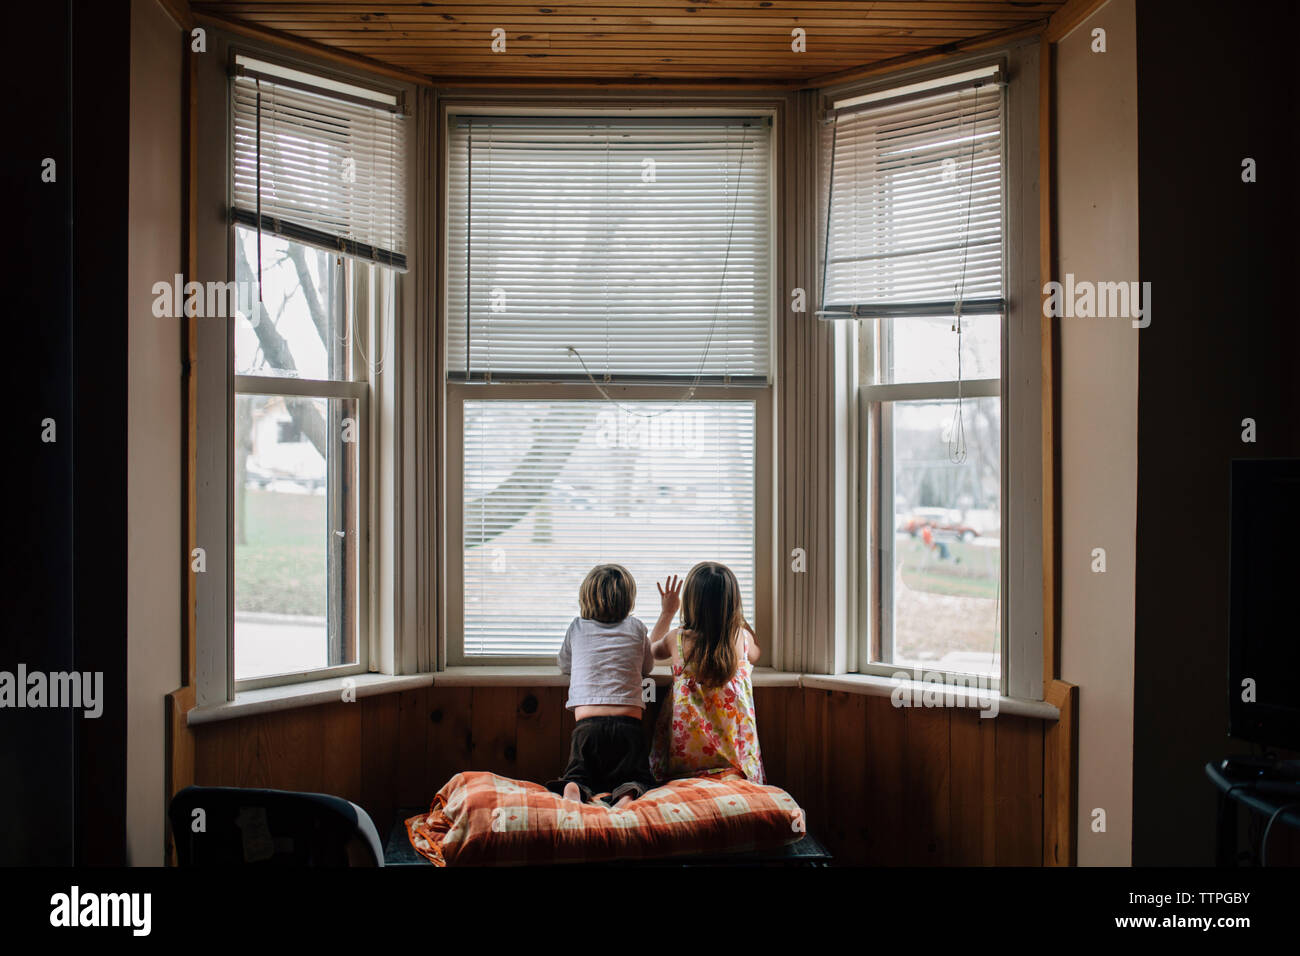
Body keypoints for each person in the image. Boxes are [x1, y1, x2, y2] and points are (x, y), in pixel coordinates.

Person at [546, 564, 659, 808]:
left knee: (579, 772)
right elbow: (647, 667)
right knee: (636, 776)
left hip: (588, 726)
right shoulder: (637, 628)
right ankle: (626, 796)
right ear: (629, 600)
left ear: (585, 597)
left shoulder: (577, 627)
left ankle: (573, 787)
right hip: (629, 726)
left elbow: (564, 664)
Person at [649, 562, 765, 784]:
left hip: (684, 766)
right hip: (736, 765)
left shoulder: (678, 639)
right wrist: (738, 618)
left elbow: (650, 650)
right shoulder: (742, 640)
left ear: (691, 602)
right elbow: (757, 654)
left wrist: (667, 612)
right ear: (733, 603)